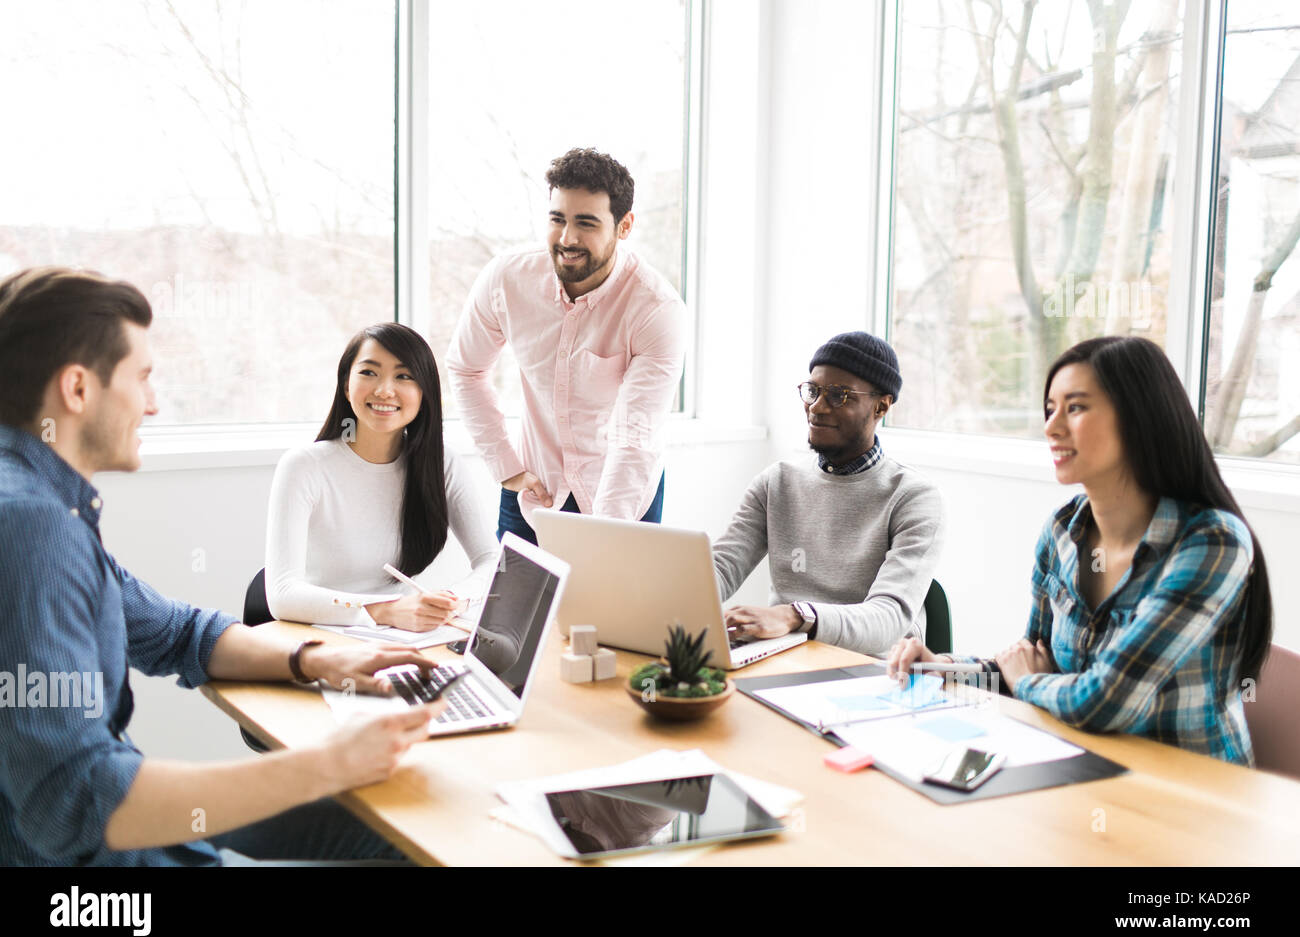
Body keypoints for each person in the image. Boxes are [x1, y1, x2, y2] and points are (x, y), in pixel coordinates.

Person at [0, 267, 444, 865]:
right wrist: (329, 764)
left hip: (125, 833)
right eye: (143, 378)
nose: (153, 405)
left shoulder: (44, 500)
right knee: (416, 838)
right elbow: (76, 802)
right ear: (78, 389)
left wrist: (320, 658)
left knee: (396, 831)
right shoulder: (32, 528)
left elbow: (176, 632)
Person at [887, 336, 1273, 766]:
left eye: (1075, 407)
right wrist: (942, 666)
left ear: (1139, 417)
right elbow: (1031, 661)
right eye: (1050, 409)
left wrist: (1029, 681)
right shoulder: (1061, 531)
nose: (1052, 427)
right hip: (1081, 767)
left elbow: (1105, 701)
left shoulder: (1212, 543)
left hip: (1191, 797)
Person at [446, 147, 687, 545]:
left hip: (622, 488)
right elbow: (466, 368)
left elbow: (635, 434)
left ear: (624, 226)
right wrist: (505, 467)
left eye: (587, 223)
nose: (568, 238)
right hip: (534, 487)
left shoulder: (656, 309)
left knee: (615, 607)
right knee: (519, 607)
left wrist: (606, 534)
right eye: (558, 219)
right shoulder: (508, 278)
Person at [713, 332, 945, 657]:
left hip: (870, 673)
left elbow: (888, 619)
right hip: (782, 660)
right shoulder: (776, 482)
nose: (817, 407)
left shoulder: (914, 497)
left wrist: (795, 616)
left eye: (840, 395)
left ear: (881, 406)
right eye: (813, 391)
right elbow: (721, 568)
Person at [265, 323, 497, 630]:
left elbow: (493, 560)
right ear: (346, 385)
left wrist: (455, 599)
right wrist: (385, 610)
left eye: (404, 376)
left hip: (401, 637)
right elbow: (283, 595)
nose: (385, 390)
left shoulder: (442, 464)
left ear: (424, 391)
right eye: (369, 373)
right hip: (321, 637)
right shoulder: (304, 466)